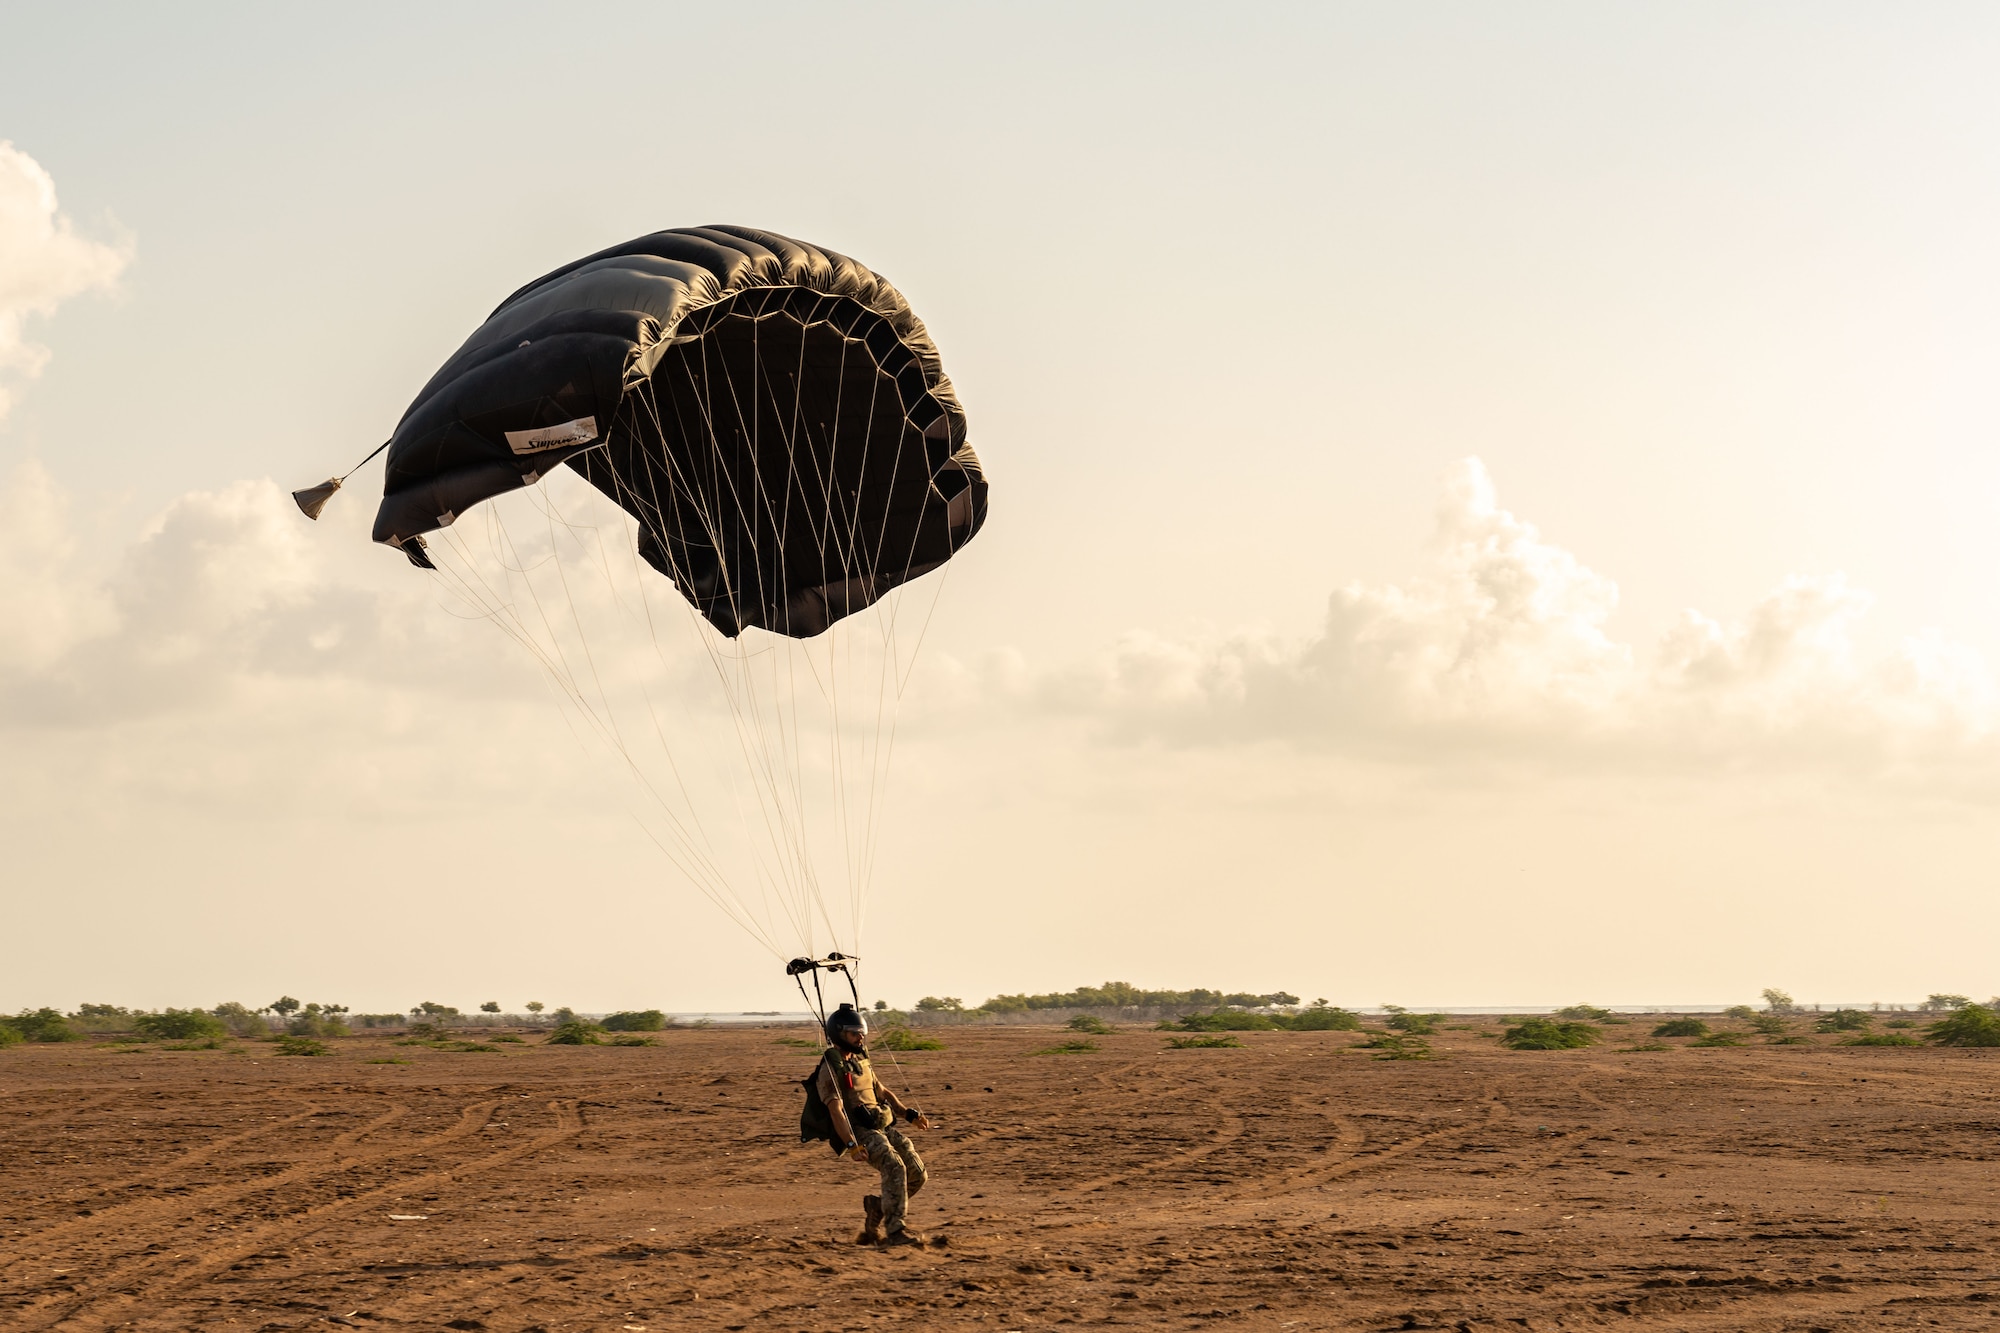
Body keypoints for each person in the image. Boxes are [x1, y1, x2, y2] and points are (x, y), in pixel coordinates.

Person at [816, 1002, 933, 1246]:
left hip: (881, 1124)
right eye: (854, 1033)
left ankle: (878, 1207)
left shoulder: (860, 1062)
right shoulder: (830, 1070)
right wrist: (852, 1145)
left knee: (917, 1173)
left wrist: (908, 1114)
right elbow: (836, 1111)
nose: (860, 1038)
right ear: (839, 1034)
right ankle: (895, 1231)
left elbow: (882, 1091)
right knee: (894, 1166)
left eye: (862, 1033)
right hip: (860, 1131)